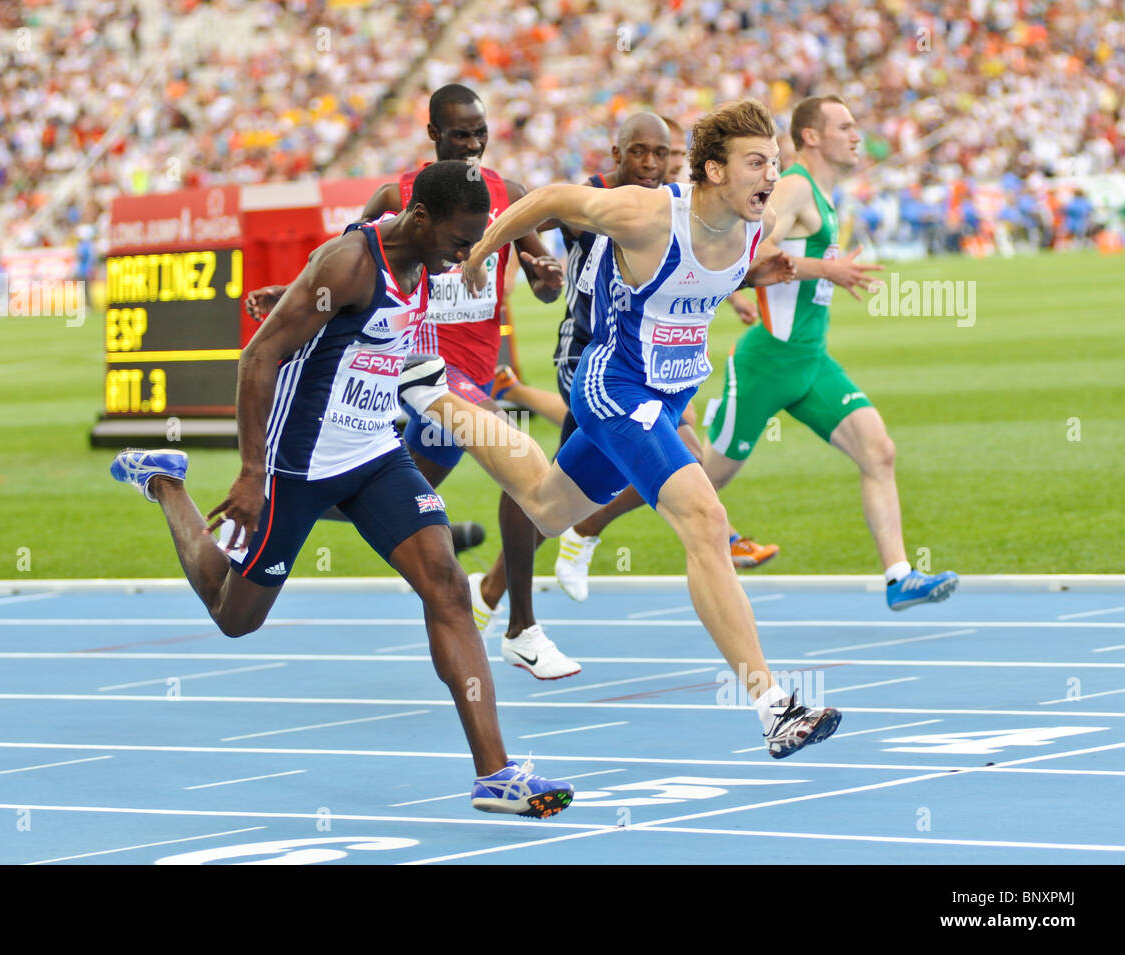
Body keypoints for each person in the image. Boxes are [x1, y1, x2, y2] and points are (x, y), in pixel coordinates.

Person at [110, 161, 574, 816]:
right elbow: (258, 356)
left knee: (445, 582)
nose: (467, 255)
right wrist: (251, 474)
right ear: (421, 219)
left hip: (376, 454)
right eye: (460, 239)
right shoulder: (353, 262)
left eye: (474, 241)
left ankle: (494, 773)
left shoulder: (423, 263)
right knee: (234, 615)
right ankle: (164, 482)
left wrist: (300, 295)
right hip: (299, 464)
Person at [399, 100, 840, 758]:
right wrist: (481, 254)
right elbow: (548, 197)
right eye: (757, 163)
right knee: (705, 519)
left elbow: (719, 265)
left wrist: (758, 273)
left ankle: (431, 393)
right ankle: (775, 706)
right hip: (614, 387)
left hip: (667, 393)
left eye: (775, 163)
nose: (771, 177)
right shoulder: (648, 213)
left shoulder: (758, 220)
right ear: (713, 170)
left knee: (548, 503)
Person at [248, 85, 578, 680]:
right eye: (459, 135)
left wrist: (545, 275)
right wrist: (295, 295)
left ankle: (293, 502)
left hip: (473, 369)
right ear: (434, 135)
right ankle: (522, 626)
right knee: (525, 471)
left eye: (481, 132)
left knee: (384, 499)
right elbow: (342, 257)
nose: (473, 145)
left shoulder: (509, 196)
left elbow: (546, 283)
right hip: (418, 365)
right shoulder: (398, 195)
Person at [702, 96, 959, 611]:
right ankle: (589, 519)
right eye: (845, 126)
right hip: (768, 363)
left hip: (811, 362)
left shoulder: (823, 194)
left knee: (878, 451)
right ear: (812, 136)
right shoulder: (795, 187)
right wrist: (828, 271)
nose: (857, 135)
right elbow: (742, 243)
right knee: (700, 481)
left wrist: (741, 295)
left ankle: (899, 577)